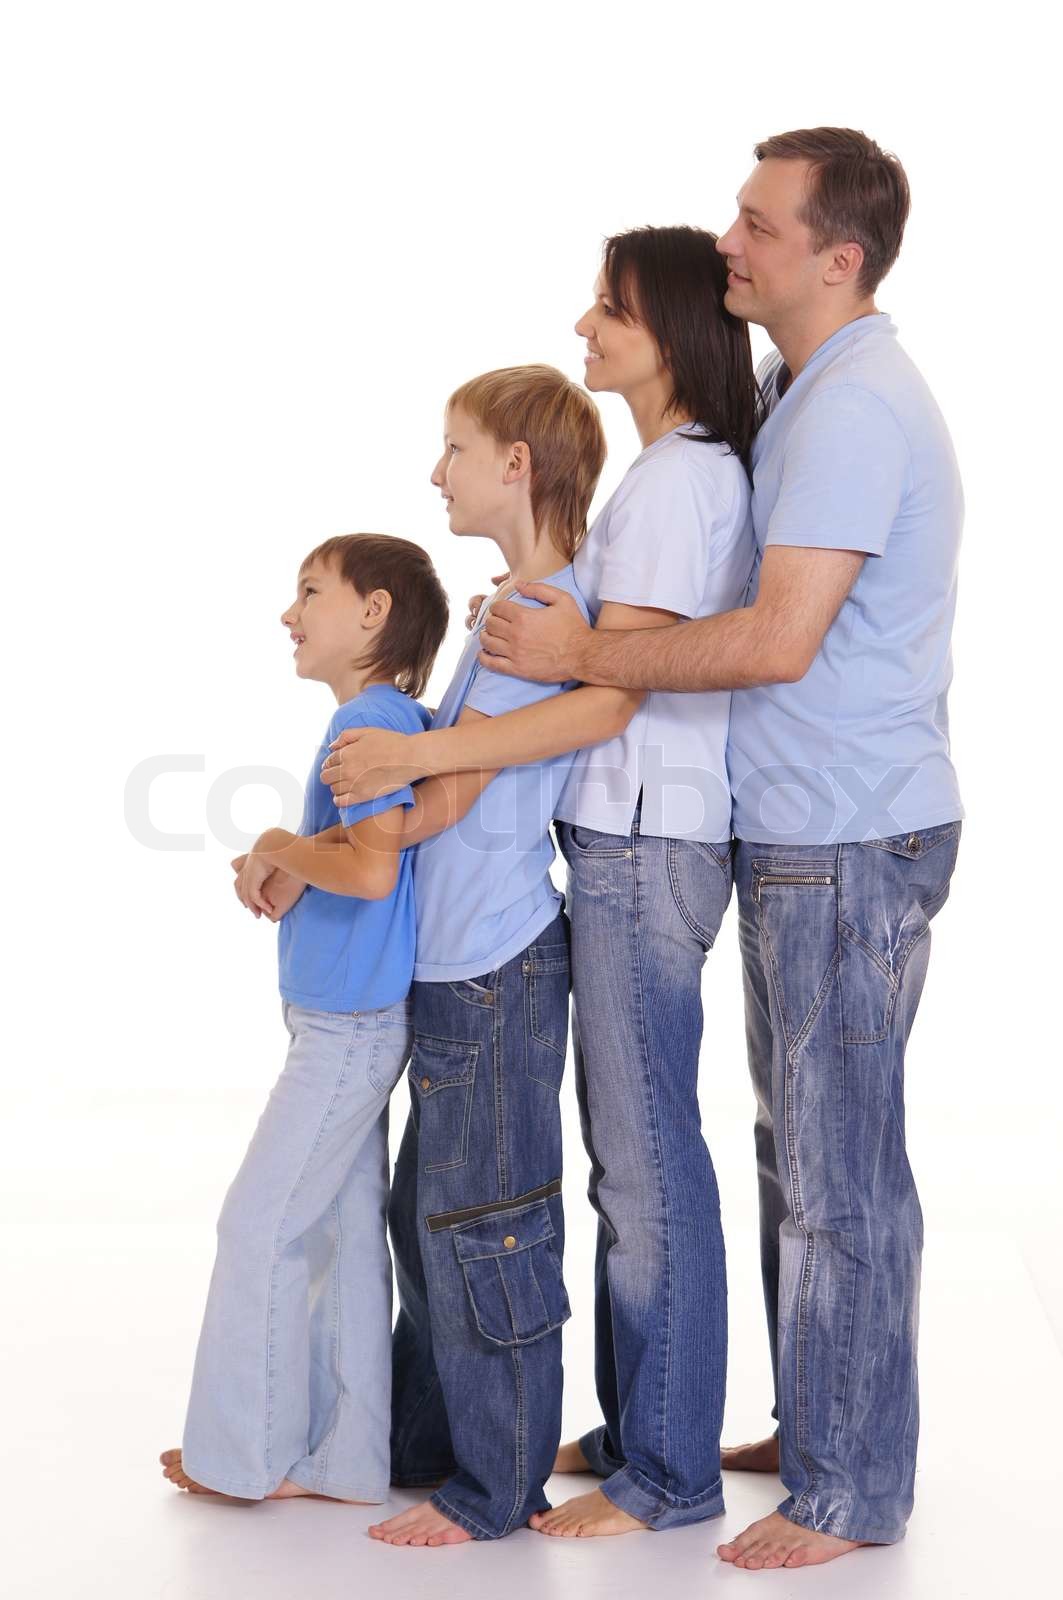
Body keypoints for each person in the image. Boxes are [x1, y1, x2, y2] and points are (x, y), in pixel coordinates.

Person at [406, 128, 963, 1570]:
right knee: (785, 1159)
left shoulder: (825, 417)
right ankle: (804, 1421)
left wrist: (572, 648)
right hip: (783, 829)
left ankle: (821, 1484)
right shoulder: (787, 400)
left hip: (831, 831)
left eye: (757, 224)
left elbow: (771, 642)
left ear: (835, 257)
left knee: (782, 1171)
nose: (731, 244)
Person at [326, 228, 761, 1539]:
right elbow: (590, 683)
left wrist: (427, 754)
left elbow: (606, 698)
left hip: (615, 869)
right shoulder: (629, 506)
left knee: (596, 1185)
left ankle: (630, 1472)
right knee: (556, 1186)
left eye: (610, 308)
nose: (587, 323)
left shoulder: (670, 491)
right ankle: (600, 1442)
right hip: (581, 873)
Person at [365, 364, 610, 1548]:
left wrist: (322, 836)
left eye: (454, 449)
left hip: (494, 968)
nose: (436, 472)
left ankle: (496, 1482)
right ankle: (426, 1444)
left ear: (516, 463)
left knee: (488, 1224)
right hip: (465, 967)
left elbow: (453, 788)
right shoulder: (517, 603)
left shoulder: (534, 614)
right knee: (434, 1211)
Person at [160, 532, 448, 1504]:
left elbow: (369, 872)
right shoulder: (385, 716)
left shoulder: (365, 721)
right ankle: (342, 1459)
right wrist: (285, 855)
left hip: (347, 1030)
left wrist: (279, 841)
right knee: (333, 1235)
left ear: (373, 613)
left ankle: (245, 1457)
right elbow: (372, 846)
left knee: (259, 1225)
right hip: (346, 1022)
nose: (291, 613)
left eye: (310, 591)